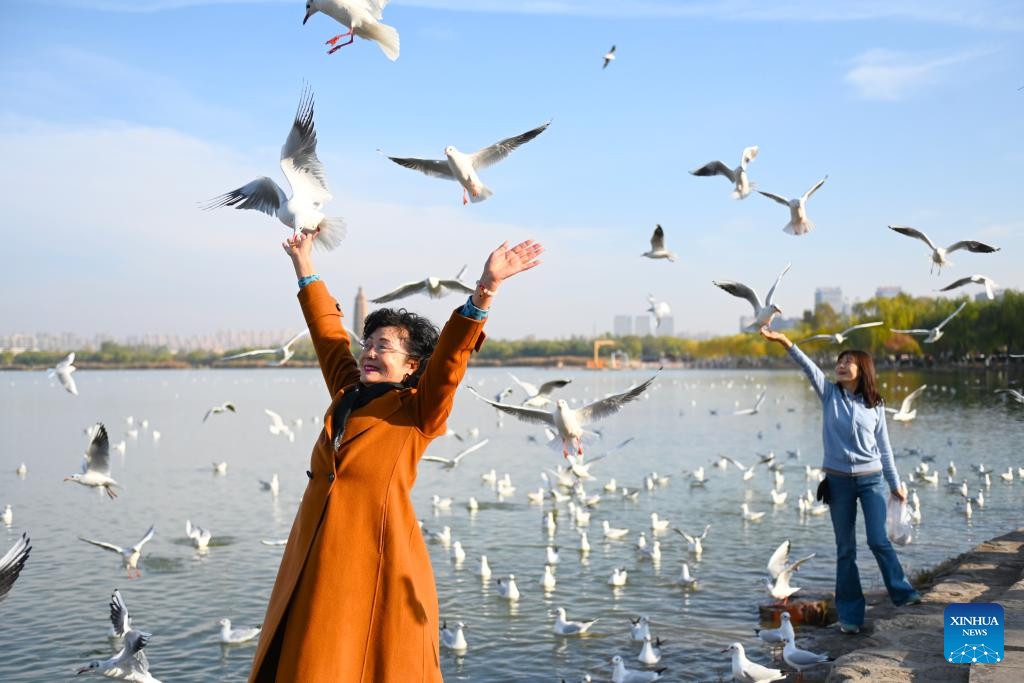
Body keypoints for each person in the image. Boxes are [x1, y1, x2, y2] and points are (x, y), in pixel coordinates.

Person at [249, 231, 544, 682]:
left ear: (410, 365)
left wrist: (484, 292)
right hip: (315, 560)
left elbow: (448, 364)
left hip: (373, 564)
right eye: (369, 344)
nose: (369, 352)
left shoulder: (416, 413)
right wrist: (304, 265)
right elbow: (328, 336)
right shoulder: (348, 393)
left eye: (384, 347)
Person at [759, 326, 921, 634]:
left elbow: (884, 448)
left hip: (871, 479)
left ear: (862, 369)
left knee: (877, 540)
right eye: (839, 360)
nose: (841, 365)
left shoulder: (876, 404)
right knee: (845, 549)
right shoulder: (829, 394)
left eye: (848, 361)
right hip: (838, 483)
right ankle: (850, 616)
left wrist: (895, 483)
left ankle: (903, 592)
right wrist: (784, 341)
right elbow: (807, 365)